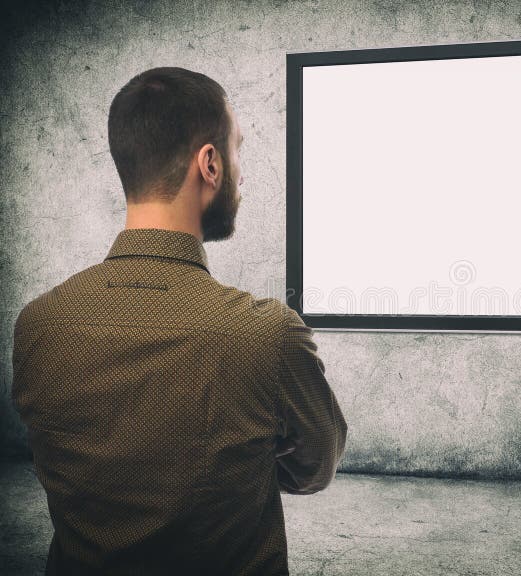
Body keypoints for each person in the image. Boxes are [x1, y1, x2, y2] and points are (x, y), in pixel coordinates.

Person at [11, 67, 347, 575]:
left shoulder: (38, 326)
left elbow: (52, 467)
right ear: (209, 164)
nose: (243, 171)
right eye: (237, 150)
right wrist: (241, 462)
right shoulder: (266, 336)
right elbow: (315, 468)